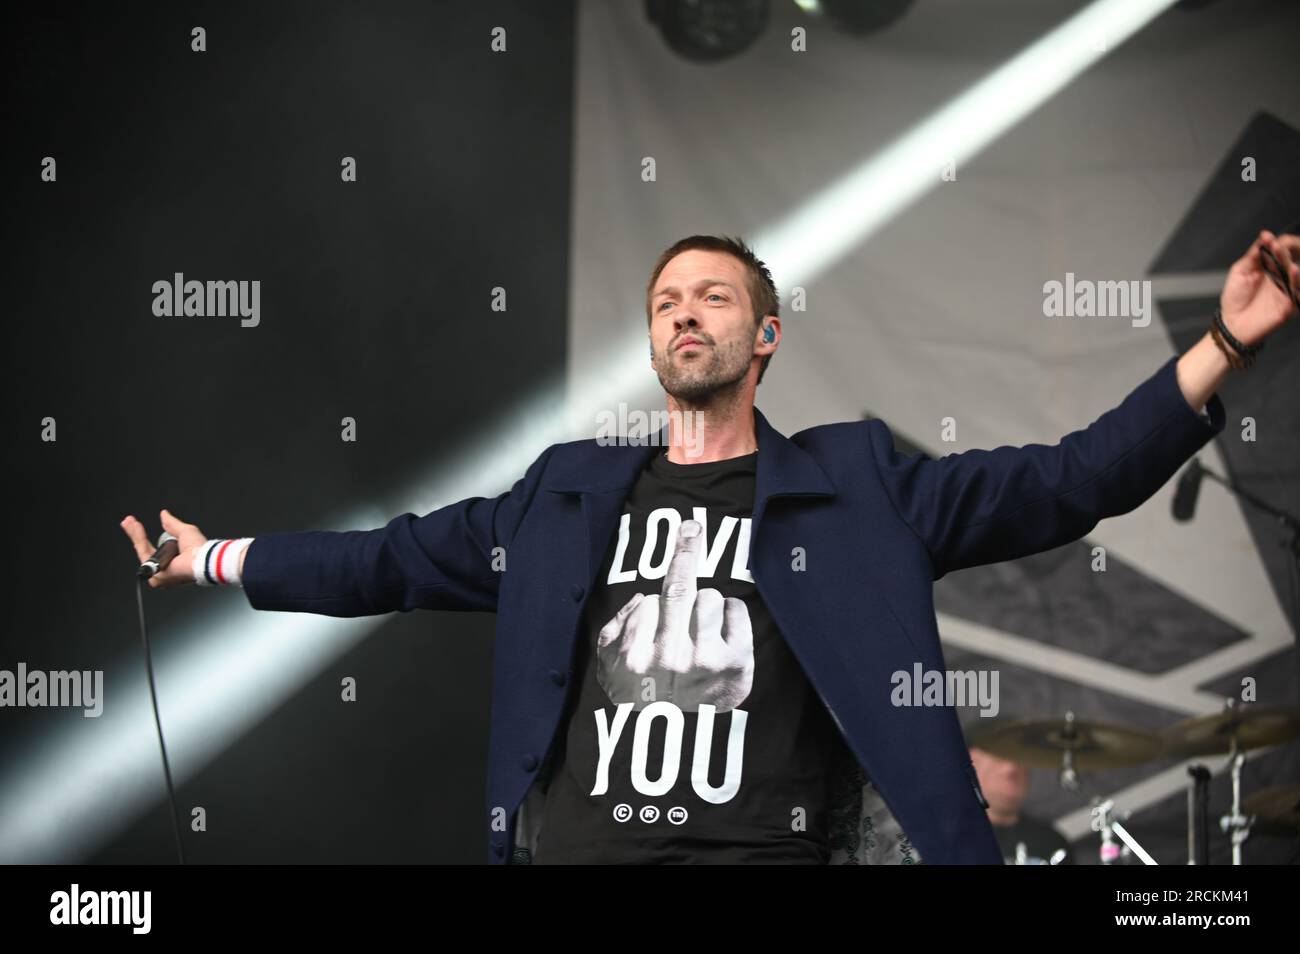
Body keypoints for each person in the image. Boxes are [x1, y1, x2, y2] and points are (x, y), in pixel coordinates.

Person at [121, 231, 1299, 864]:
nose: (685, 312)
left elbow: (1070, 479)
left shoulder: (858, 482)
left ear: (766, 333)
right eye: (667, 302)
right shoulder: (564, 498)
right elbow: (389, 560)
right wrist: (218, 559)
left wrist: (1225, 350)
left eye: (714, 298)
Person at [970, 746, 1075, 865]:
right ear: (974, 761)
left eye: (1018, 757)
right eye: (999, 757)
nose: (1010, 768)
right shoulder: (951, 838)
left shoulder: (1052, 842)